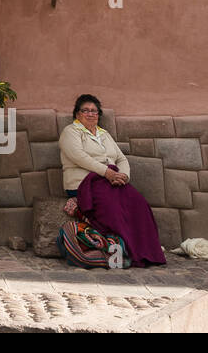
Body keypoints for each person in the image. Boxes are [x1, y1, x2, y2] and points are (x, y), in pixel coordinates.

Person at [57, 93, 165, 267]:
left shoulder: (104, 134)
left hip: (111, 180)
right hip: (85, 183)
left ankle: (146, 251)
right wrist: (107, 173)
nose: (90, 114)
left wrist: (123, 176)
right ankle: (127, 250)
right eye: (85, 110)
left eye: (94, 111)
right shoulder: (71, 132)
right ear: (77, 114)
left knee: (139, 203)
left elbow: (121, 159)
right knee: (112, 208)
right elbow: (79, 157)